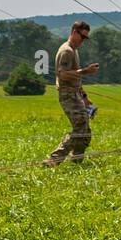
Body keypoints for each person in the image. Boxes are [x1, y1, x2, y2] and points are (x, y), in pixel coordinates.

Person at [43, 20, 99, 166]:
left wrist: (84, 97)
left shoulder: (74, 50)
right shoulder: (66, 51)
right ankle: (53, 160)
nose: (83, 41)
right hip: (67, 95)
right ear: (74, 32)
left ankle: (77, 161)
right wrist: (86, 71)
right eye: (82, 37)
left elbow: (75, 78)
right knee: (80, 129)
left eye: (86, 38)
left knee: (85, 131)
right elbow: (63, 74)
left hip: (75, 94)